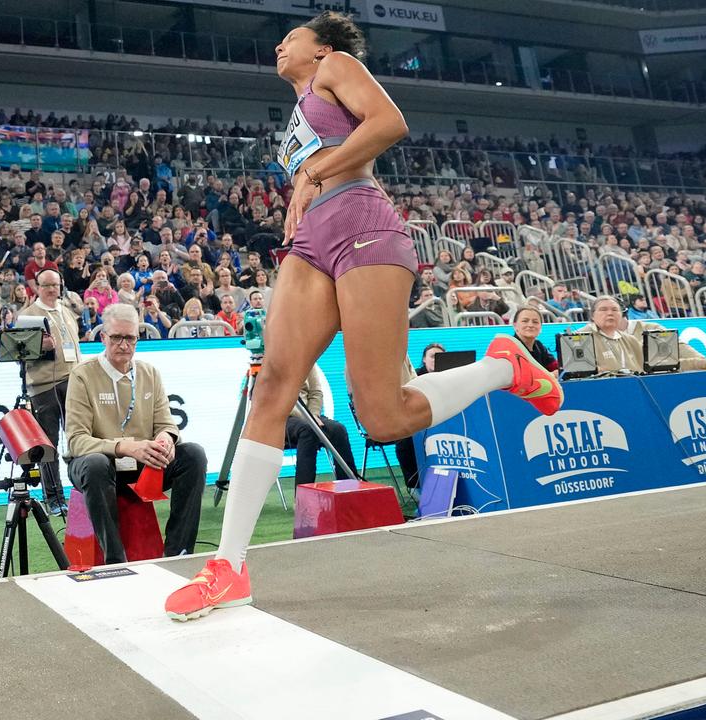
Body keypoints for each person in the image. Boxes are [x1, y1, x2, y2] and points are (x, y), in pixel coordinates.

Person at [165, 13, 562, 621]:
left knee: (381, 413)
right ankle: (229, 568)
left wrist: (315, 174)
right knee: (273, 384)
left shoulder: (335, 67)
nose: (280, 44)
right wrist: (305, 183)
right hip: (310, 242)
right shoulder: (299, 106)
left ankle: (503, 369)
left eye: (291, 36)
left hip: (363, 226)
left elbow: (390, 123)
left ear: (320, 45)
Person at [64, 304, 207, 564]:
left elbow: (167, 423)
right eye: (116, 337)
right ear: (103, 338)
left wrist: (166, 438)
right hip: (97, 466)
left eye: (129, 338)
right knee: (95, 464)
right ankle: (115, 560)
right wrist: (125, 447)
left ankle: (179, 553)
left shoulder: (149, 373)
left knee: (193, 455)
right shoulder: (82, 375)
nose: (123, 344)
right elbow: (76, 441)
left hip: (142, 466)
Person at [18, 269, 83, 515]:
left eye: (56, 284)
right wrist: (37, 347)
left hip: (73, 381)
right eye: (47, 285)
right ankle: (54, 498)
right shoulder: (28, 316)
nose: (52, 289)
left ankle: (81, 489)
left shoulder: (66, 312)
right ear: (37, 286)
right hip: (44, 386)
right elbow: (19, 357)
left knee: (79, 437)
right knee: (49, 445)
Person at [579, 297, 706, 374]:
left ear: (622, 315)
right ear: (592, 316)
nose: (610, 313)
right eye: (603, 309)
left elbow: (663, 363)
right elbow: (575, 372)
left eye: (614, 310)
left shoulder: (629, 340)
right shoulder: (580, 337)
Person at [284, 365, 358, 486]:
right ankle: (302, 497)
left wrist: (313, 416)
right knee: (308, 430)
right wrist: (307, 420)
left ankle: (348, 487)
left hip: (309, 415)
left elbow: (316, 392)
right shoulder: (271, 358)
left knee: (338, 429)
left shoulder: (307, 359)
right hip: (282, 418)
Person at [512, 307, 557, 372]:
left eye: (535, 322)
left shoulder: (539, 345)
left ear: (541, 327)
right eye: (525, 321)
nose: (530, 325)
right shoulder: (509, 347)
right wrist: (550, 376)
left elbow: (555, 366)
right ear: (515, 325)